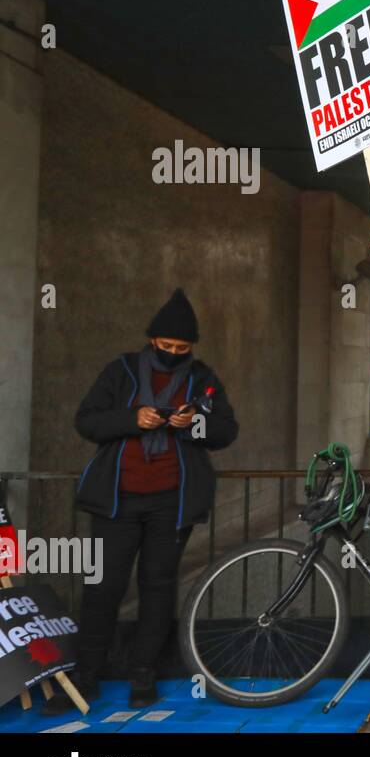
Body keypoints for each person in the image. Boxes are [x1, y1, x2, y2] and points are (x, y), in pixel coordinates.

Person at [47, 289, 239, 715]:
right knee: (102, 588)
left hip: (172, 503)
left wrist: (195, 423)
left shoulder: (202, 379)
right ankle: (86, 676)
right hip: (116, 501)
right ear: (152, 341)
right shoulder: (121, 371)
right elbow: (87, 421)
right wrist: (131, 419)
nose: (172, 354)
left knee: (158, 588)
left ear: (191, 348)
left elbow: (226, 432)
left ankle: (143, 675)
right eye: (165, 346)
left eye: (181, 349)